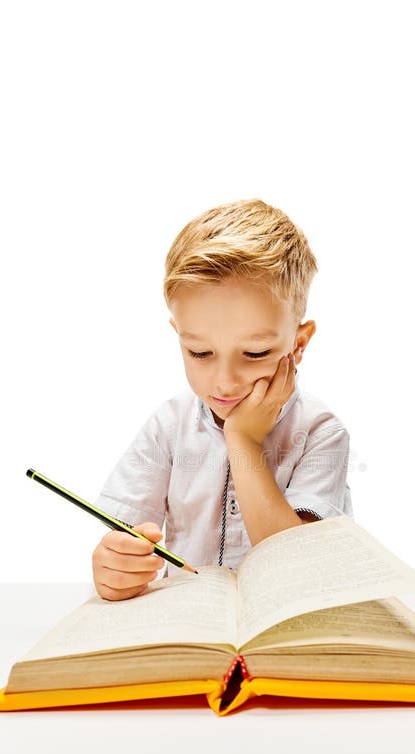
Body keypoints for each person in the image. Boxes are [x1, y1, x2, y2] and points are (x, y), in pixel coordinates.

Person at [92, 198, 354, 601]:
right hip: (192, 632)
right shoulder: (169, 426)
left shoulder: (321, 433)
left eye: (255, 354)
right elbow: (123, 539)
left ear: (298, 344)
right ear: (178, 335)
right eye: (199, 353)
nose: (226, 382)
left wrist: (243, 440)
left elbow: (292, 570)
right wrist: (116, 567)